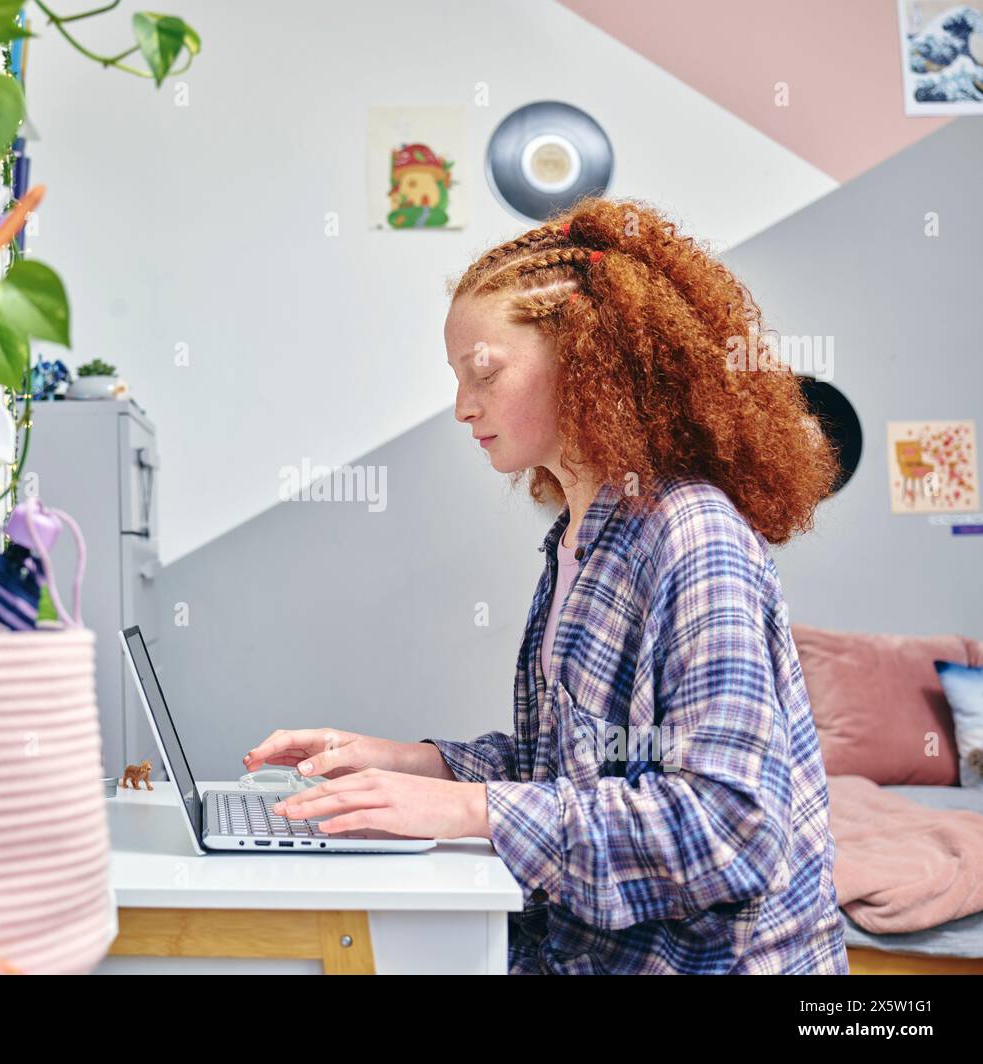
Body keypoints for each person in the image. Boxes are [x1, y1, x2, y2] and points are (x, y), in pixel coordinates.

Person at [244, 196, 849, 975]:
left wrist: (470, 809)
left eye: (485, 374)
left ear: (585, 358)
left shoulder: (691, 536)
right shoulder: (577, 540)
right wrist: (408, 763)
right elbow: (575, 768)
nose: (464, 408)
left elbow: (727, 826)